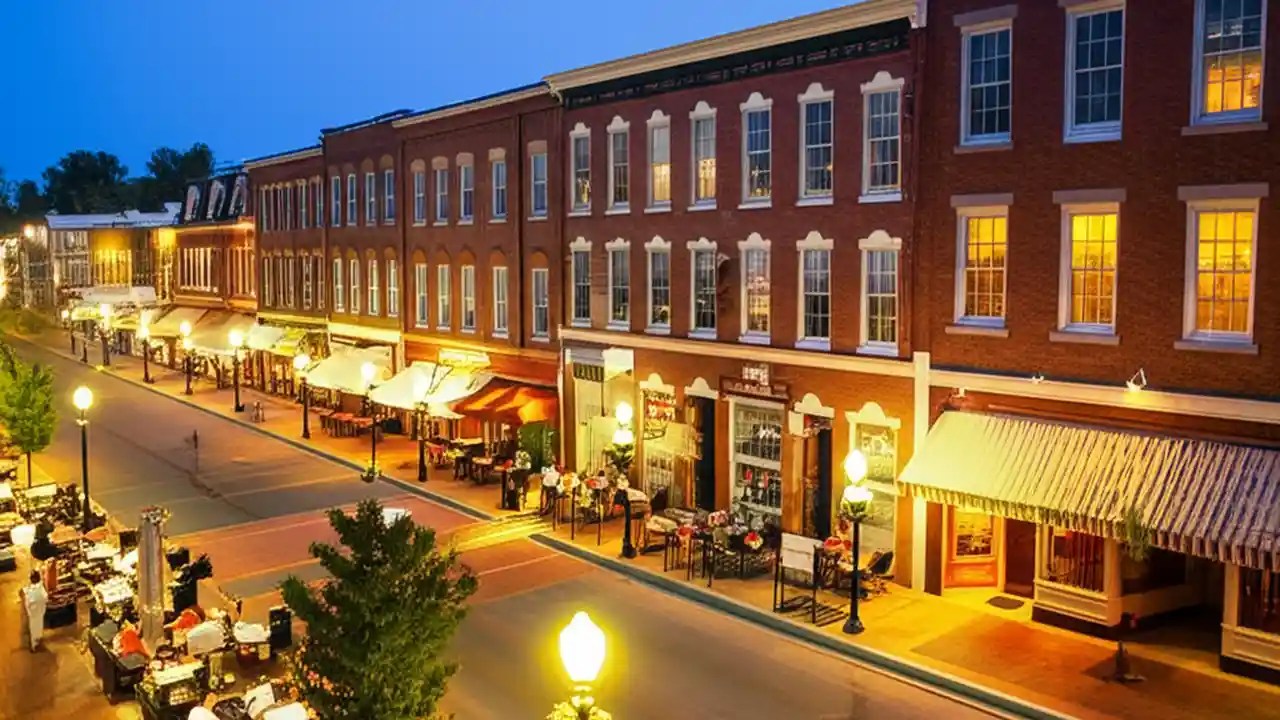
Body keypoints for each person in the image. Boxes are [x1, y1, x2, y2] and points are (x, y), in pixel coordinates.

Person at [20, 570, 47, 652]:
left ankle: (35, 645)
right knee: (37, 628)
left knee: (34, 629)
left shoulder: (30, 590)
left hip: (34, 613)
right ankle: (36, 644)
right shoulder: (40, 588)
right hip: (38, 612)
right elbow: (45, 598)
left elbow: (27, 601)